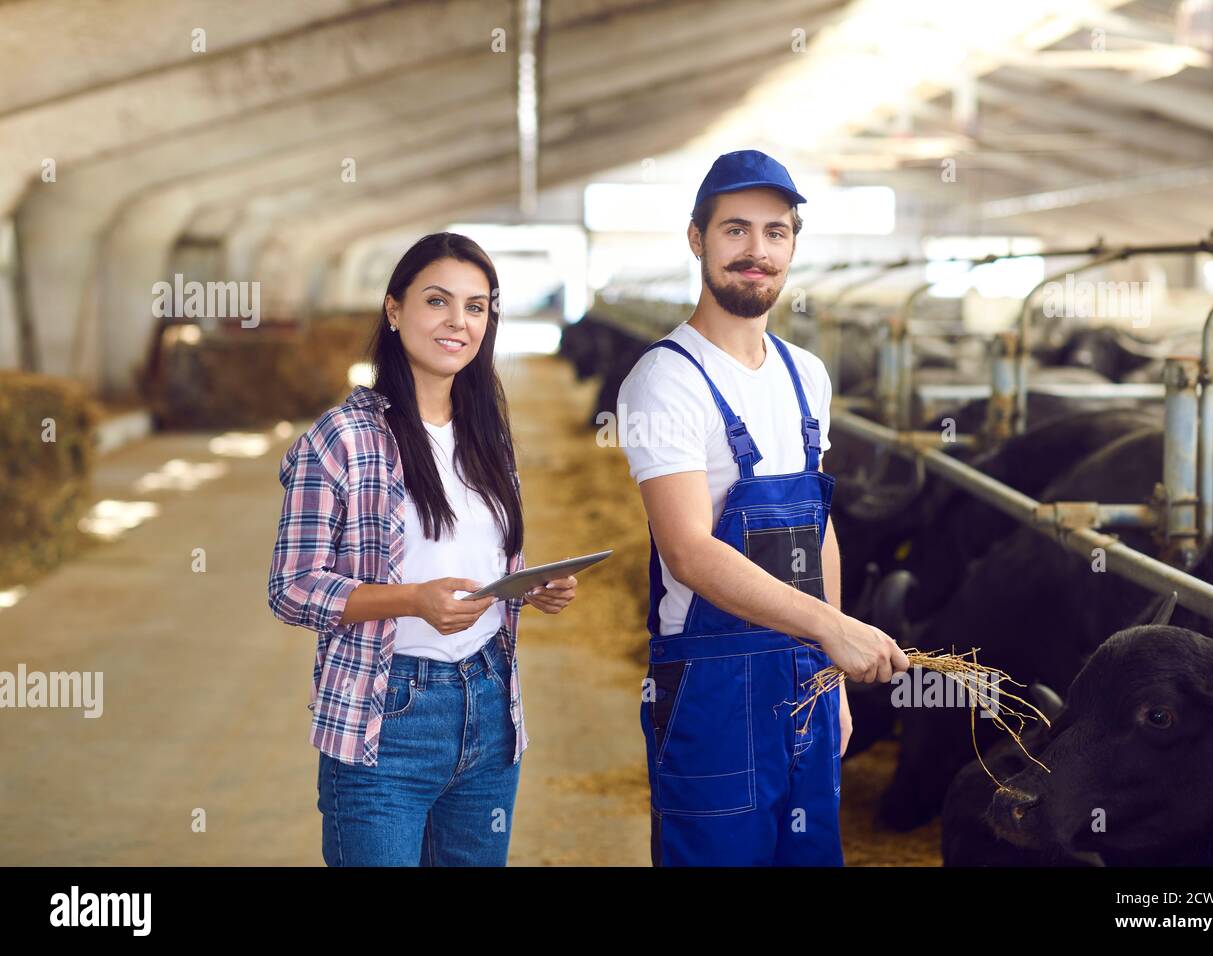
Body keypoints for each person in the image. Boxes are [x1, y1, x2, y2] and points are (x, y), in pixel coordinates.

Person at [617, 149, 910, 866]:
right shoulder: (666, 380)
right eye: (736, 231)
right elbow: (688, 549)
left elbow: (819, 525)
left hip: (803, 681)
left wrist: (829, 672)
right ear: (697, 239)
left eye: (775, 233)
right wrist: (831, 631)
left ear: (792, 247)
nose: (757, 251)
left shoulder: (805, 374)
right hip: (714, 689)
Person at [267, 232, 577, 866]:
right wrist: (411, 601)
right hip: (388, 714)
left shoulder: (487, 432)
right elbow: (291, 588)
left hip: (491, 704)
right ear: (394, 309)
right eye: (437, 301)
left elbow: (480, 557)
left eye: (477, 306)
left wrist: (529, 586)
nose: (457, 323)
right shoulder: (341, 439)